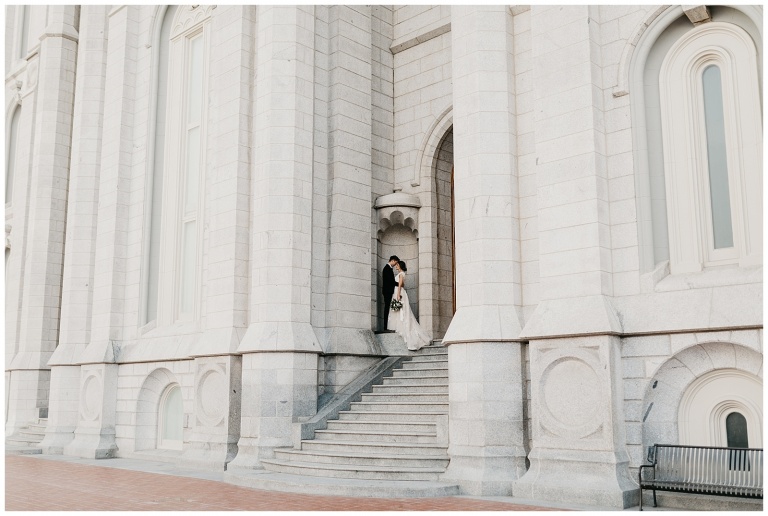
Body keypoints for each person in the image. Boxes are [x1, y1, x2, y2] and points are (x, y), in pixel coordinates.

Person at [387, 260, 431, 351]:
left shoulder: (401, 274)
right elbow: (402, 284)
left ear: (400, 266)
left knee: (401, 311)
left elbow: (400, 285)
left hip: (398, 292)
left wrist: (398, 294)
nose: (396, 266)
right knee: (400, 310)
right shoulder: (402, 274)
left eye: (397, 265)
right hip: (399, 291)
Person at [381, 255, 400, 331]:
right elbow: (390, 281)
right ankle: (385, 327)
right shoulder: (387, 268)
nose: (395, 265)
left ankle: (387, 326)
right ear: (392, 260)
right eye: (395, 263)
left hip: (388, 291)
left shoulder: (388, 268)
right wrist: (399, 284)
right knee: (387, 308)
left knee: (388, 308)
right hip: (387, 292)